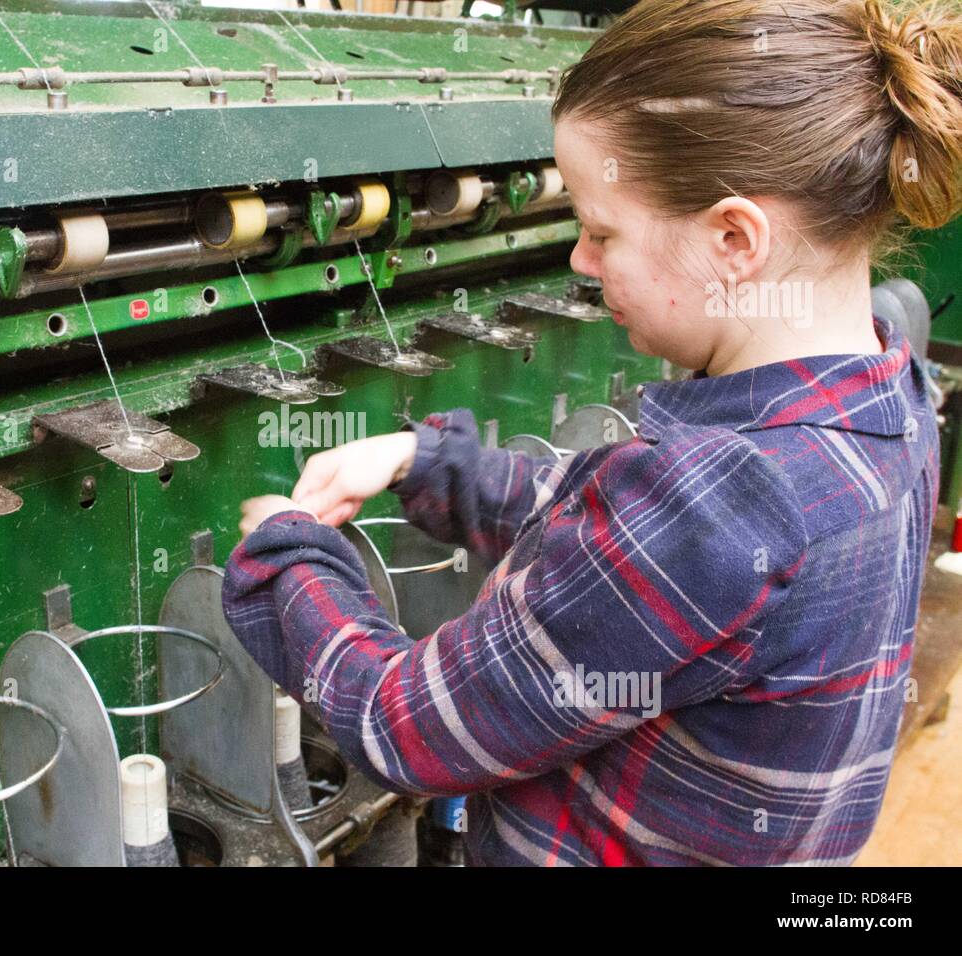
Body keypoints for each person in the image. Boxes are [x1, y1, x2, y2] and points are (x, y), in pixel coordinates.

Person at [221, 0, 959, 865]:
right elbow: (608, 540)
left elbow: (407, 728)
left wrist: (288, 560)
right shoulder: (886, 386)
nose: (579, 258)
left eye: (602, 230)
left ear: (733, 237)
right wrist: (432, 463)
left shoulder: (716, 508)